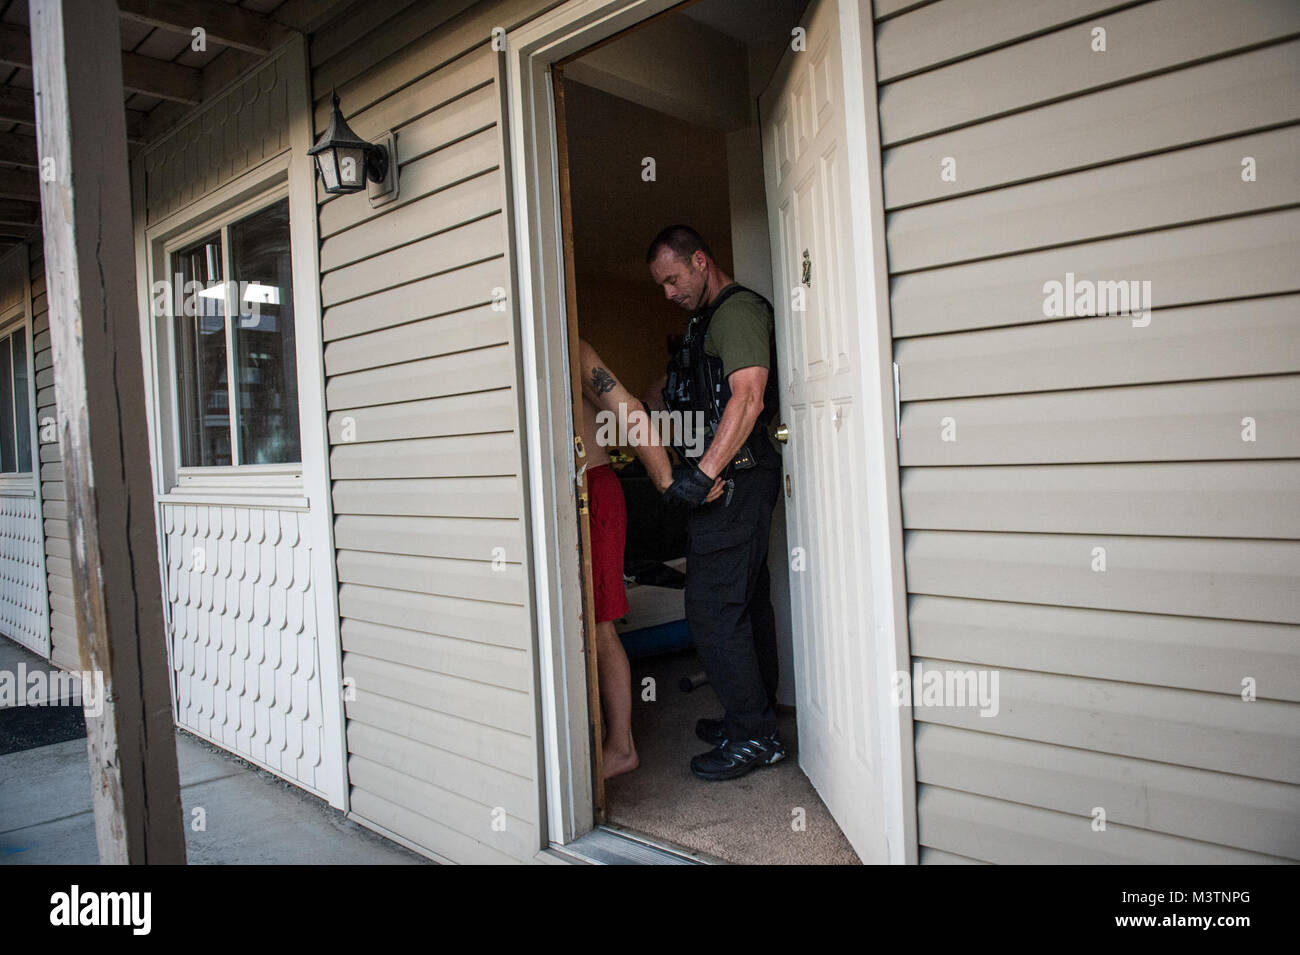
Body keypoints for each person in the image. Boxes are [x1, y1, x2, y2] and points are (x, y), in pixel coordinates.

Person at [646, 225, 785, 781]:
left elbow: (748, 397)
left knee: (711, 610)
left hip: (735, 483)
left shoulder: (738, 311)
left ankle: (755, 738)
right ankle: (752, 718)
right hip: (727, 481)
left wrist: (702, 474)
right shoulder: (704, 322)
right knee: (743, 603)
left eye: (673, 279)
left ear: (700, 261)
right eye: (660, 286)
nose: (668, 293)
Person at [577, 337, 723, 778]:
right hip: (558, 498)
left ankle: (621, 747)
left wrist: (666, 482)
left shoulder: (572, 349)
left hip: (592, 490)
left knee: (598, 625)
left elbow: (629, 411)